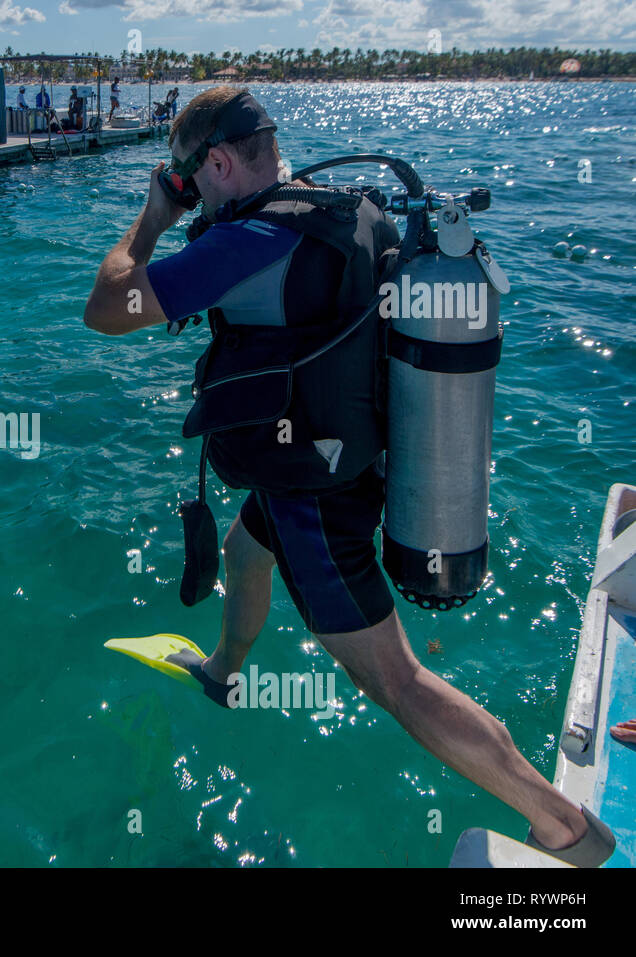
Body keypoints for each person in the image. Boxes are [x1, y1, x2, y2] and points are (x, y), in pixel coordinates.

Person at [81, 85, 616, 868]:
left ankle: (564, 826)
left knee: (397, 679)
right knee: (243, 548)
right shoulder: (348, 208)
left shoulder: (243, 243)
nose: (191, 192)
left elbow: (105, 304)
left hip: (314, 500)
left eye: (193, 177)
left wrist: (157, 218)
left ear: (220, 162)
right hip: (349, 455)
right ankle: (227, 670)